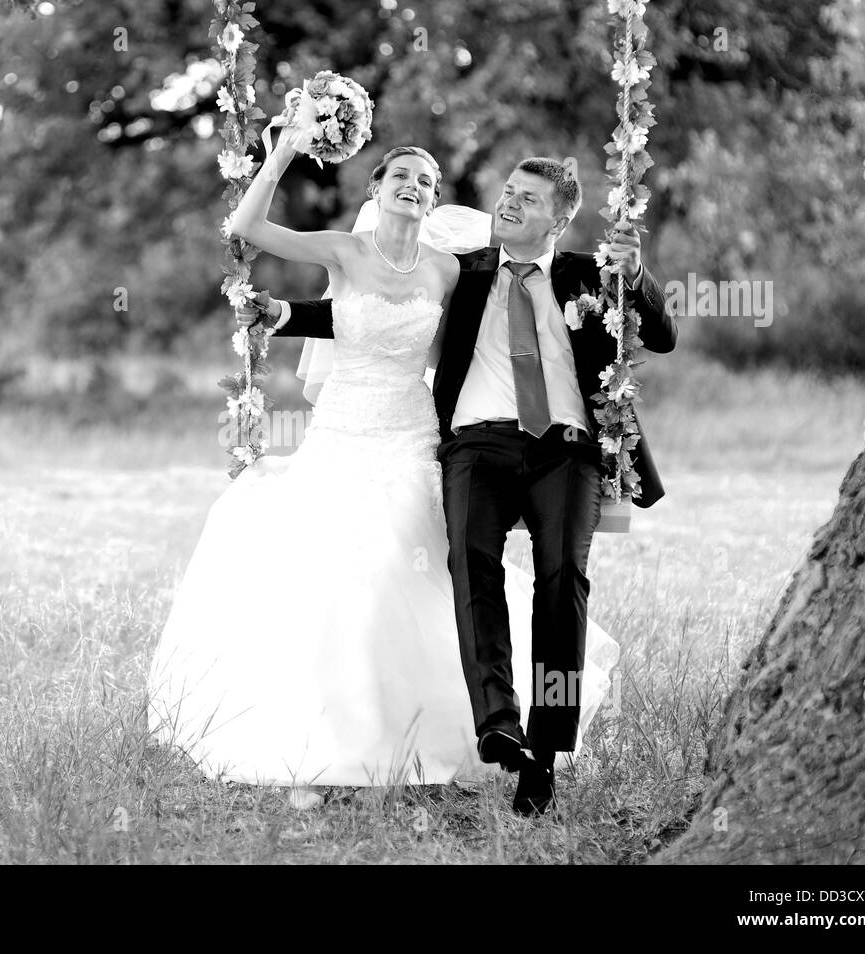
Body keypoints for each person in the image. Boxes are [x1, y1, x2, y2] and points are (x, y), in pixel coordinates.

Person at [147, 123, 624, 813]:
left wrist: (628, 275)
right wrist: (284, 153)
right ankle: (343, 736)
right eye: (401, 175)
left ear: (436, 203)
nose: (414, 186)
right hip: (359, 432)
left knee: (480, 575)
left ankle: (513, 744)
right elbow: (291, 263)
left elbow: (629, 325)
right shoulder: (369, 253)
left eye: (428, 181)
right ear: (376, 189)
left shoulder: (459, 269)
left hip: (454, 438)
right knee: (357, 577)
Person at [256, 156, 678, 814]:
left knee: (563, 574)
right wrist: (280, 313)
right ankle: (497, 722)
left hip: (566, 448)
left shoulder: (584, 276)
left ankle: (545, 745)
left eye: (528, 199)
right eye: (507, 193)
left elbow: (661, 334)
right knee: (470, 561)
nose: (509, 204)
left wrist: (638, 278)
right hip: (477, 444)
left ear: (561, 218)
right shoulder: (464, 270)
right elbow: (376, 311)